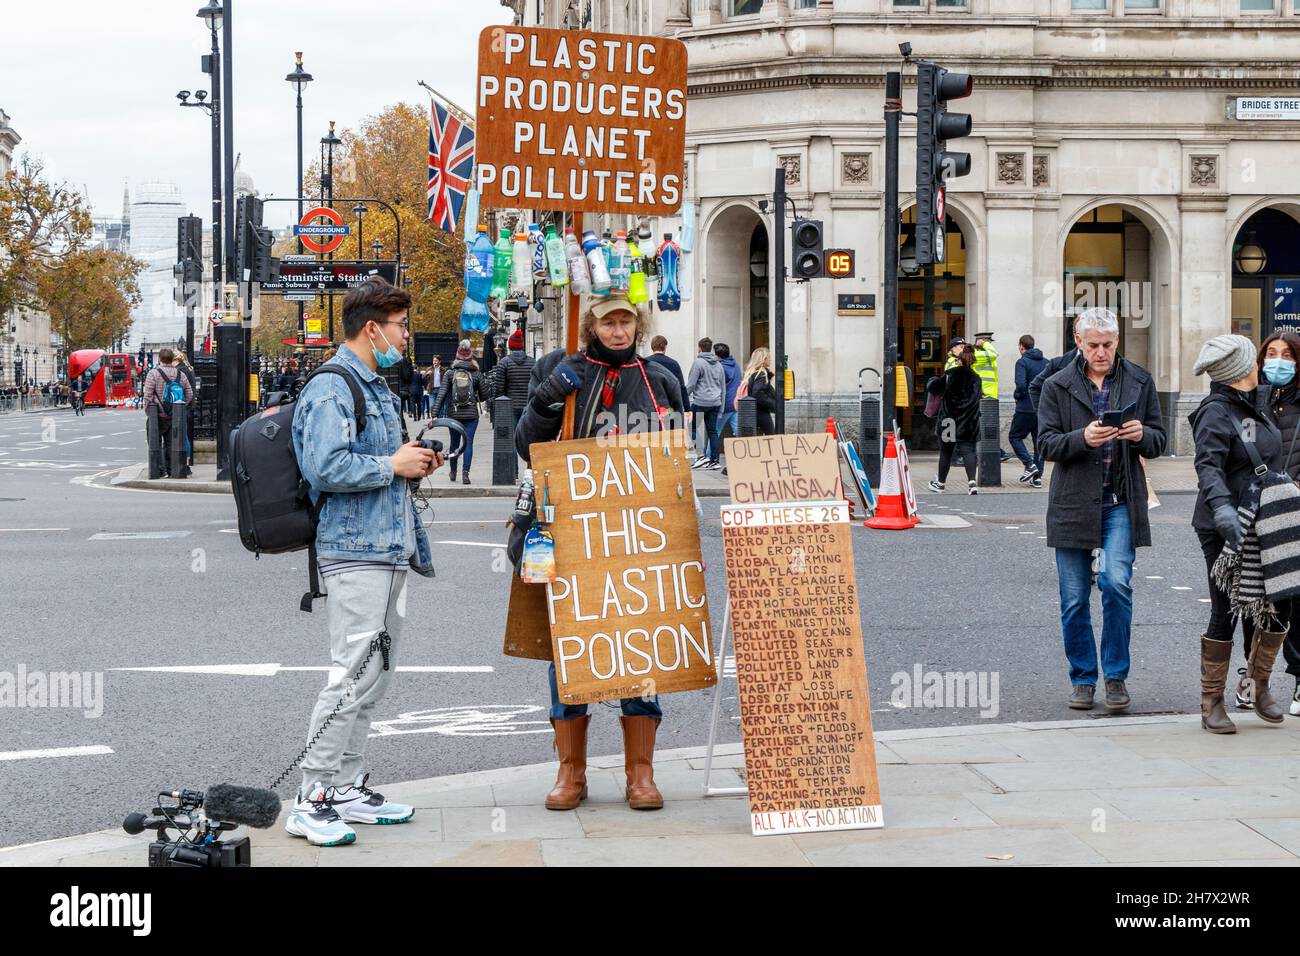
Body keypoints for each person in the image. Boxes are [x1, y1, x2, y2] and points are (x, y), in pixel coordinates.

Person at [287, 278, 443, 847]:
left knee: (373, 678)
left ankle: (347, 786)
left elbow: (377, 458)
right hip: (354, 551)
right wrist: (391, 466)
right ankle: (311, 796)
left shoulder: (374, 385)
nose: (405, 336)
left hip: (390, 546)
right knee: (349, 674)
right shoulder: (332, 388)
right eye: (400, 325)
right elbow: (324, 467)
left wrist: (410, 462)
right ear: (373, 327)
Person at [515, 297, 684, 813]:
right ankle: (571, 771)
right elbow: (527, 446)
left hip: (639, 535)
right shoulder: (558, 369)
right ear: (591, 324)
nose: (617, 330)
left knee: (641, 644)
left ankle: (640, 774)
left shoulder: (661, 379)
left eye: (625, 320)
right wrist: (547, 400)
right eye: (607, 321)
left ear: (638, 324)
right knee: (570, 646)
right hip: (567, 530)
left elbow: (674, 458)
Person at [1037, 307, 1168, 713]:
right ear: (1078, 341)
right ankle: (1082, 678)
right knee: (1074, 598)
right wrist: (1083, 438)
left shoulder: (1139, 380)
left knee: (1115, 584)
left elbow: (1161, 440)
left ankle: (1115, 677)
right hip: (1073, 502)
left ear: (1117, 341)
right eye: (1093, 344)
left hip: (1120, 502)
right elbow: (1045, 444)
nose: (1101, 352)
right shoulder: (1056, 384)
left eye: (1108, 345)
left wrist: (1143, 434)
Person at [1189, 334, 1291, 733]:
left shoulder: (1257, 404)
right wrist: (1222, 509)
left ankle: (1257, 684)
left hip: (1264, 521)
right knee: (1226, 608)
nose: (1262, 365)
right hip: (1224, 526)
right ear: (1241, 368)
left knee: (1274, 605)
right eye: (1255, 360)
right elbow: (1208, 467)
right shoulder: (1216, 413)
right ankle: (1211, 701)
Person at [1258, 330, 1300, 717]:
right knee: (1262, 599)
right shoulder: (1254, 402)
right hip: (1260, 508)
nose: (1278, 361)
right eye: (1271, 353)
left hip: (1298, 509)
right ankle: (1257, 677)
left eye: (1286, 355)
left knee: (1297, 598)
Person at [926, 344, 982, 495]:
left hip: (949, 421)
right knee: (969, 452)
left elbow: (933, 387)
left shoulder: (950, 374)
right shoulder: (976, 378)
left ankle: (940, 484)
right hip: (969, 422)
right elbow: (978, 397)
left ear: (959, 361)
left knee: (946, 453)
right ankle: (972, 484)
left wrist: (932, 380)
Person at [432, 340, 486, 485]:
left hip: (454, 415)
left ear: (456, 356)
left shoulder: (450, 373)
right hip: (471, 415)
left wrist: (434, 414)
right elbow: (485, 395)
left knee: (454, 444)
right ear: (470, 357)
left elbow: (442, 394)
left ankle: (453, 472)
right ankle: (466, 473)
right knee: (468, 443)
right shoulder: (476, 373)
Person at [142, 348, 194, 478]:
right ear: (172, 359)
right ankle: (172, 469)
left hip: (157, 414)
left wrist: (148, 411)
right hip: (174, 415)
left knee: (155, 442)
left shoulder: (153, 374)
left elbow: (148, 395)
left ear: (159, 359)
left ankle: (160, 470)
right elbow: (189, 394)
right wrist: (179, 407)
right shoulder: (180, 374)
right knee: (172, 443)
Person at [1011, 334, 1048, 487]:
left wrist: (1018, 396)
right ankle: (1037, 477)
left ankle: (1029, 464)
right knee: (1038, 442)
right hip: (1042, 408)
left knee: (1014, 436)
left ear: (1021, 346)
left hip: (1025, 407)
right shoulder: (1047, 362)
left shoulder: (1022, 362)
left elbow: (1020, 384)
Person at [686, 337, 725, 469]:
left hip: (701, 401)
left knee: (691, 427)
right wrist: (721, 407)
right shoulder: (718, 364)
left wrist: (683, 398)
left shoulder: (698, 363)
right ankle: (715, 461)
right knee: (712, 431)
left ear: (700, 348)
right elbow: (723, 387)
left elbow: (691, 384)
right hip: (715, 402)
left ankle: (701, 456)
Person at [487, 329, 536, 427]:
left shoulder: (504, 363)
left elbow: (499, 388)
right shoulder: (533, 362)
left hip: (510, 405)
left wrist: (498, 406)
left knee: (511, 437)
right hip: (528, 405)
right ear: (522, 346)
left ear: (510, 346)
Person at [742, 347, 778, 436]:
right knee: (772, 438)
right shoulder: (761, 374)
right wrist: (773, 404)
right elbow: (757, 393)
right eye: (768, 357)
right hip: (761, 412)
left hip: (750, 410)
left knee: (754, 439)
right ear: (763, 360)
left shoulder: (752, 373)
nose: (770, 359)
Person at [645, 335, 687, 406]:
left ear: (652, 347)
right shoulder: (673, 364)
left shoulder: (644, 363)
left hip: (648, 404)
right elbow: (681, 387)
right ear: (665, 347)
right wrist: (687, 408)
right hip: (668, 406)